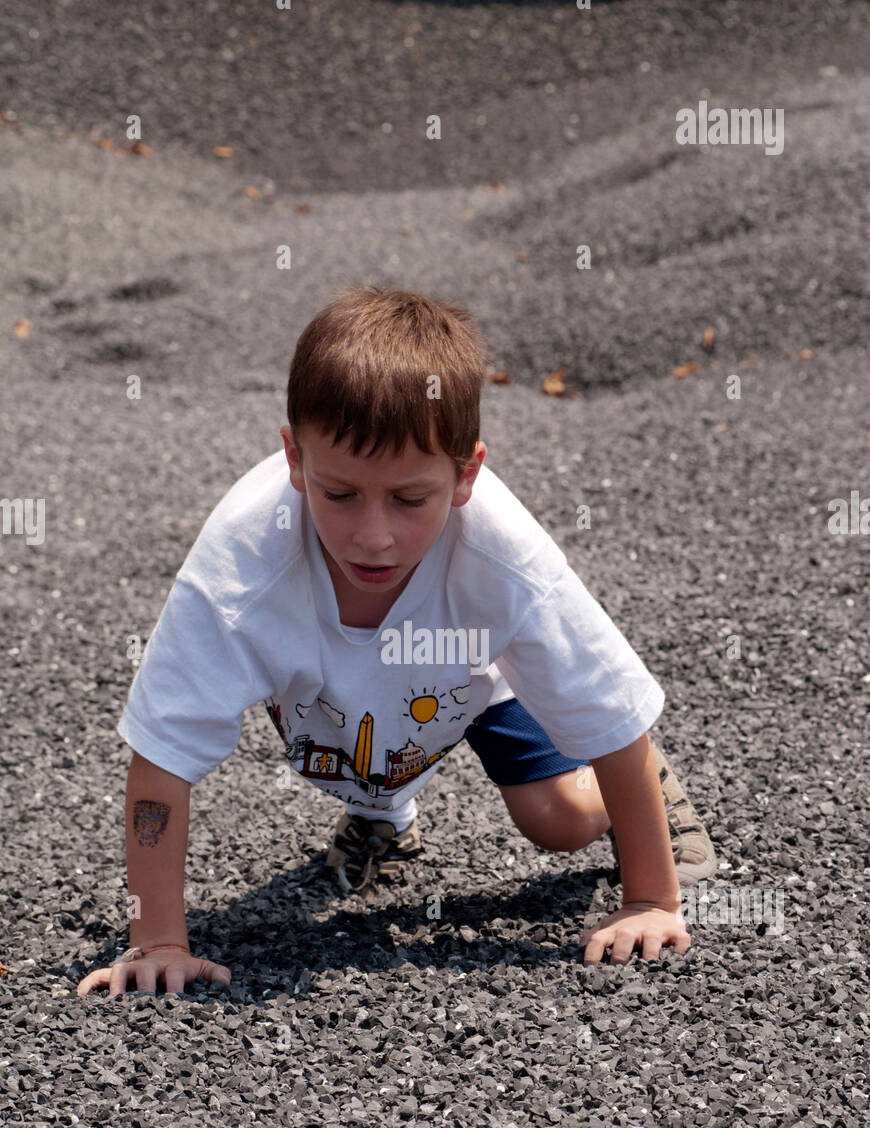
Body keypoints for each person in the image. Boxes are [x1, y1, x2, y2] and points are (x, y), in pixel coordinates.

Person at [77, 283, 715, 998]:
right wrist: (158, 938)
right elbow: (163, 754)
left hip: (470, 668)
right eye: (339, 494)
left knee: (558, 821)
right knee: (354, 760)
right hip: (330, 686)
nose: (373, 536)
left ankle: (651, 792)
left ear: (466, 473)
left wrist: (651, 899)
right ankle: (386, 820)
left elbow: (609, 710)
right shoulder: (239, 569)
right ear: (294, 460)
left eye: (411, 500)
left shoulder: (504, 561)